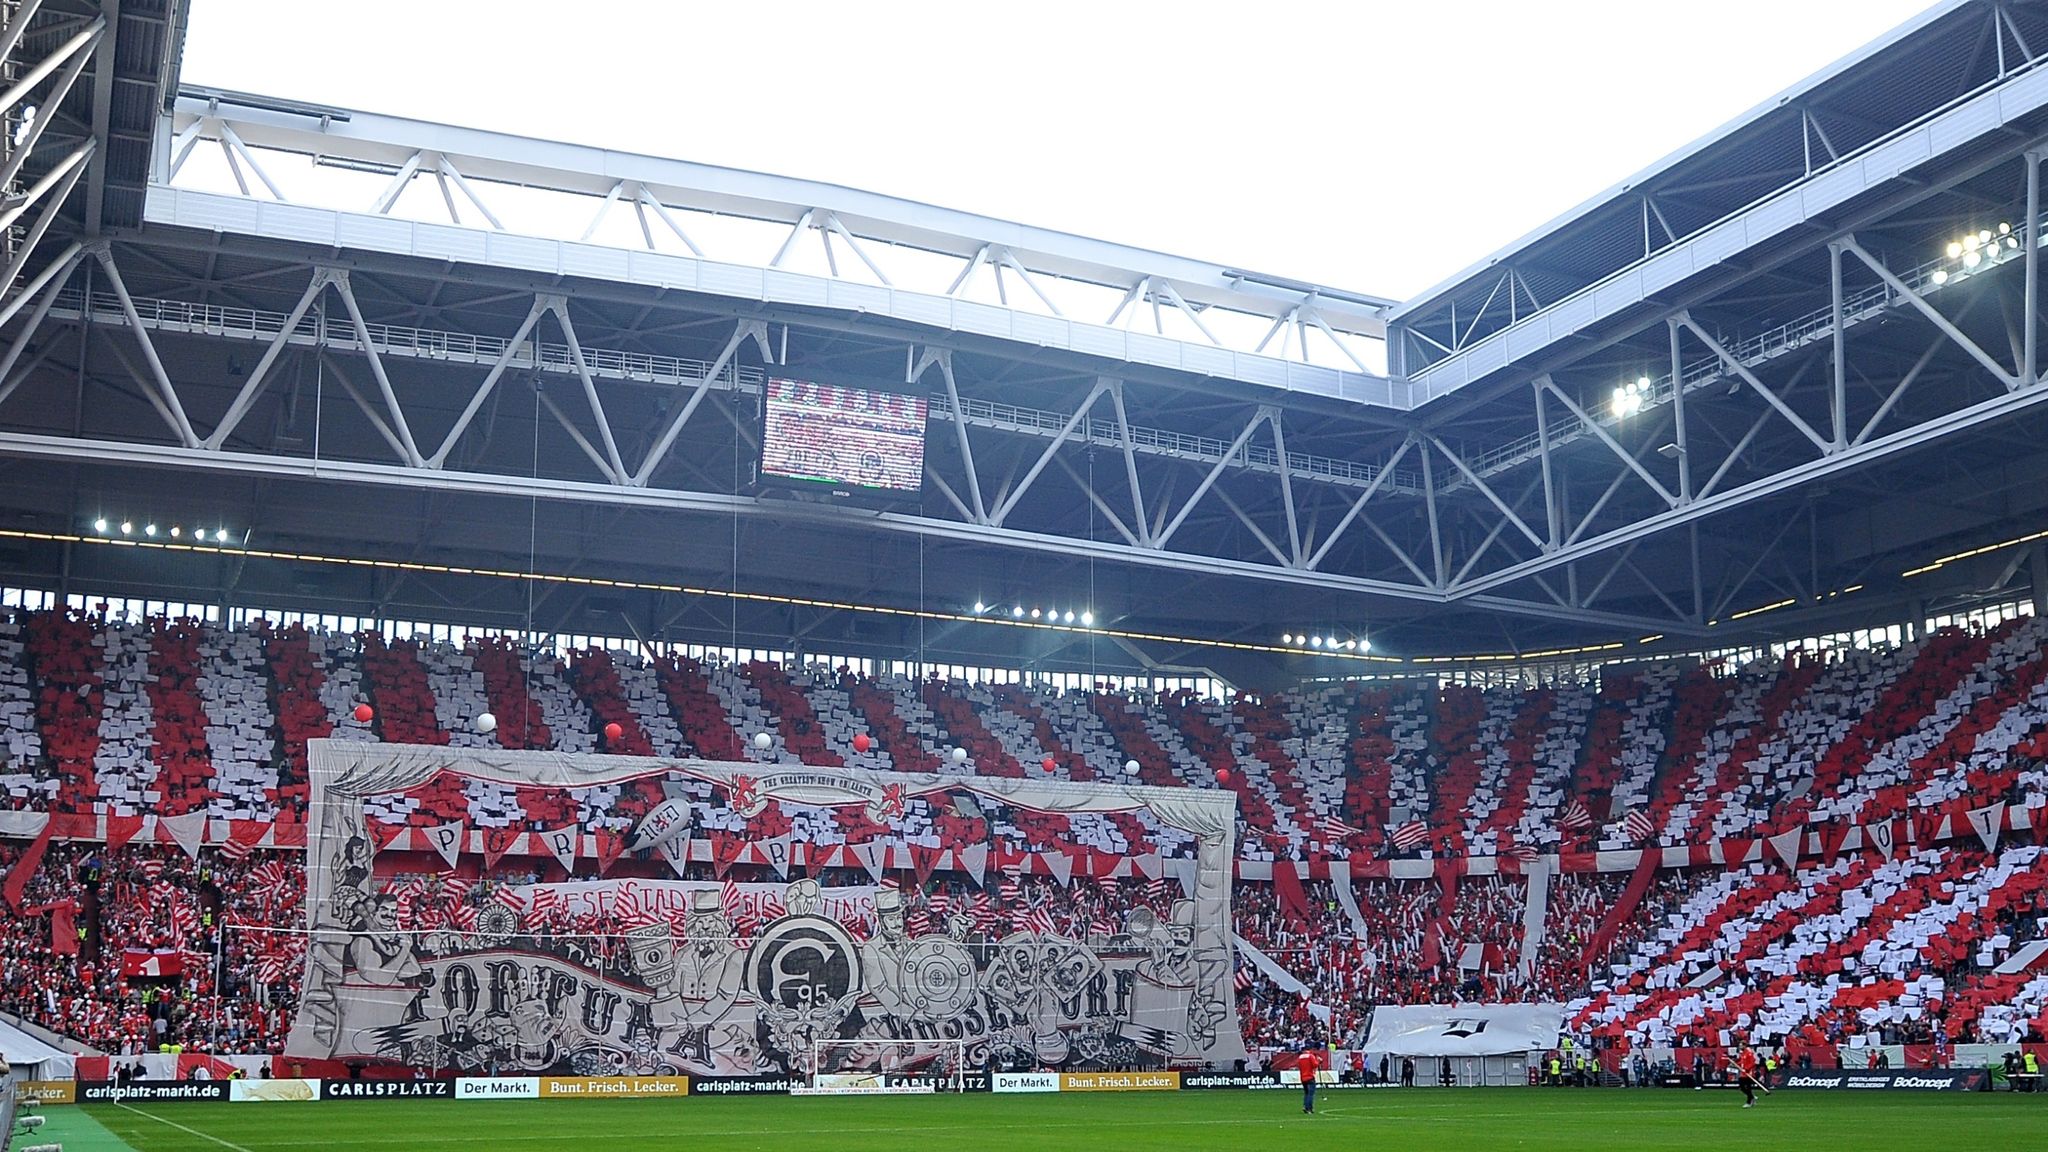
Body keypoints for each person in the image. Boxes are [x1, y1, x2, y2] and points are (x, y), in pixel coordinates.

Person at [1295, 1044, 1323, 1114]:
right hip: (1310, 1076)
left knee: (1306, 1093)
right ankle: (1309, 1108)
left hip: (1303, 1077)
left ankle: (1305, 1106)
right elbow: (1315, 1065)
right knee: (1311, 1094)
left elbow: (1298, 1065)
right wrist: (1319, 1061)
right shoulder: (1310, 1056)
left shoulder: (1300, 1057)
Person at [1735, 1045, 1762, 1109]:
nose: (1740, 1047)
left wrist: (1747, 1069)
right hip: (1743, 1073)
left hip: (1749, 1073)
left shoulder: (1749, 1053)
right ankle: (1751, 1097)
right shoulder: (1743, 1053)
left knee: (1748, 1087)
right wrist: (1736, 1064)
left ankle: (1749, 1102)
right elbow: (1742, 1062)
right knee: (1742, 1087)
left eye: (1741, 1045)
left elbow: (1752, 1063)